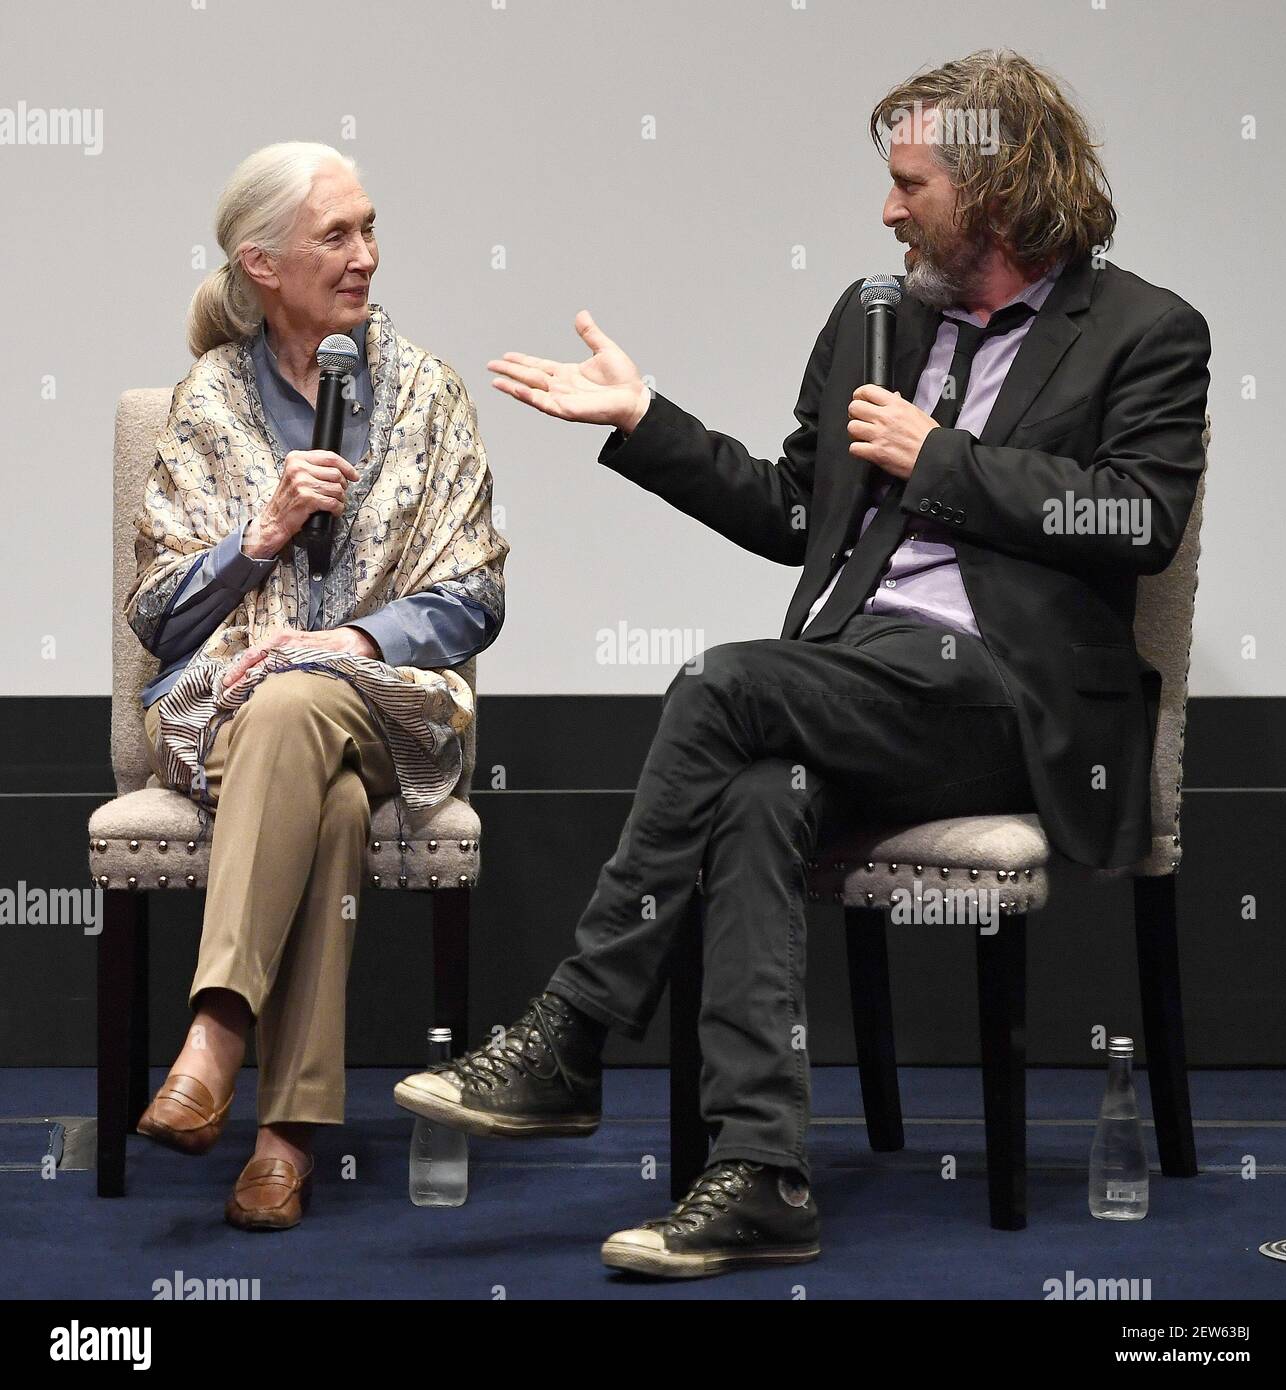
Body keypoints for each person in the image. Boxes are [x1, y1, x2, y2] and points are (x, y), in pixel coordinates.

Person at [393, 49, 1210, 1278]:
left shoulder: (1146, 331)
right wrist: (644, 421)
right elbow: (794, 511)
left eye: (910, 184)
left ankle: (573, 1030)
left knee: (721, 683)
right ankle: (763, 1176)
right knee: (757, 794)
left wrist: (941, 460)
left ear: (996, 188)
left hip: (1013, 701)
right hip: (862, 682)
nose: (886, 210)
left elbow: (1136, 518)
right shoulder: (876, 319)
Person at [124, 141, 508, 1230]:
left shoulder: (427, 392)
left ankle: (215, 1033)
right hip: (225, 713)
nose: (365, 256)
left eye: (369, 228)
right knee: (326, 798)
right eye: (335, 236)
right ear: (262, 265)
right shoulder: (207, 402)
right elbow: (155, 616)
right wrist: (260, 535)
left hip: (388, 707)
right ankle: (284, 1138)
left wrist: (351, 641)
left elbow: (475, 592)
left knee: (299, 695)